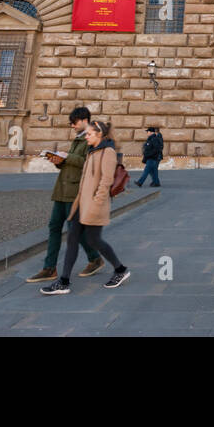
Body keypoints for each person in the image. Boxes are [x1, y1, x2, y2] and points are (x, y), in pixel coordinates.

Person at [41, 120, 132, 295]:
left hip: (94, 206)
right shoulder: (92, 151)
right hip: (81, 204)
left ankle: (120, 269)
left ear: (99, 135)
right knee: (73, 240)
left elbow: (106, 182)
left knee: (94, 240)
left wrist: (96, 205)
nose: (86, 137)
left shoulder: (108, 152)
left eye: (89, 134)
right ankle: (64, 281)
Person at [27, 107, 103, 284]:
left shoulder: (93, 138)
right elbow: (72, 162)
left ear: (84, 120)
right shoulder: (79, 138)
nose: (72, 126)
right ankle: (49, 268)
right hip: (62, 190)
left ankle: (95, 258)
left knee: (74, 230)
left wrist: (66, 157)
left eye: (74, 122)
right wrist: (59, 162)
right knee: (54, 226)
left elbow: (88, 163)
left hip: (75, 191)